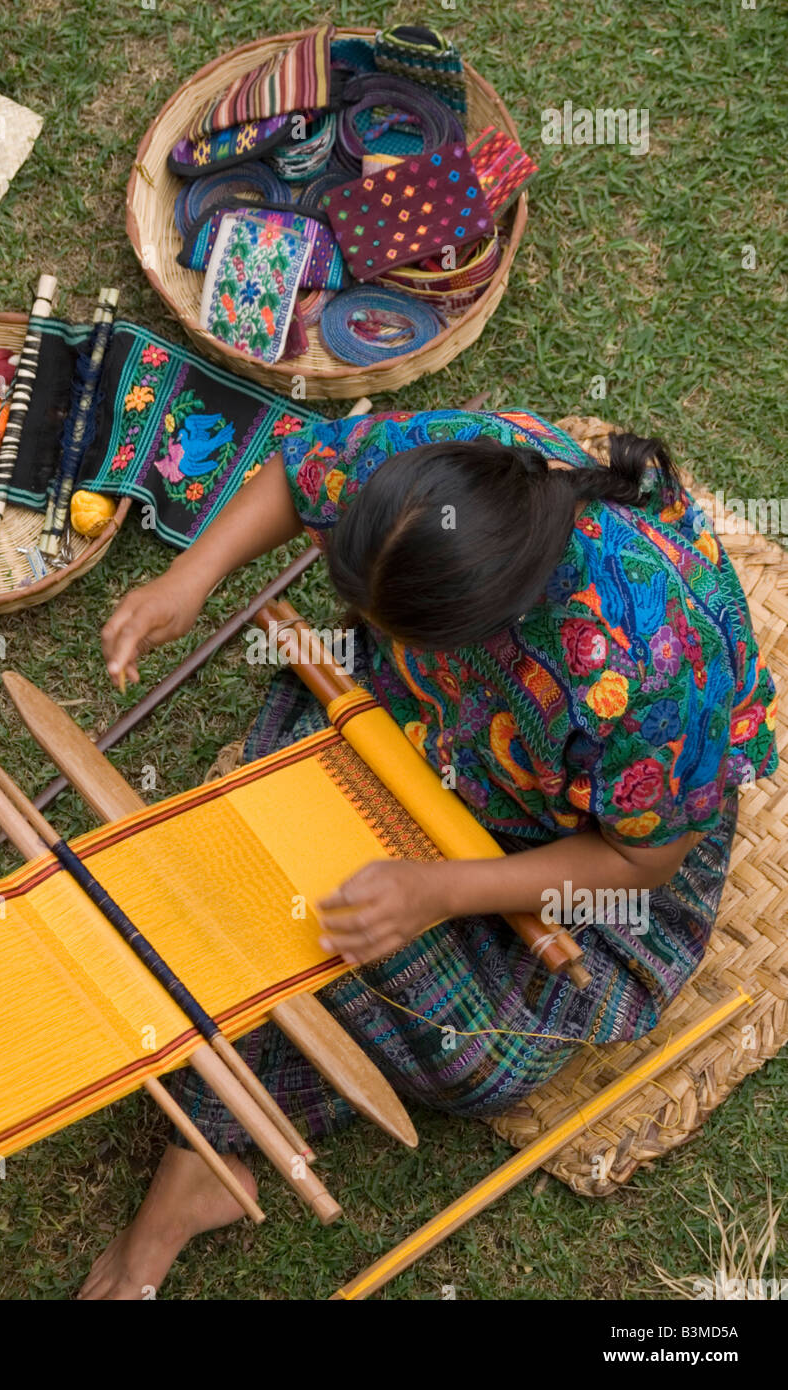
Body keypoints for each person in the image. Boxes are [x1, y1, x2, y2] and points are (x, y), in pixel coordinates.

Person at [81, 408, 777, 1299]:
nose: (378, 633)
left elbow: (642, 865)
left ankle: (213, 1141)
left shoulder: (645, 669)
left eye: (408, 630)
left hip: (580, 839)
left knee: (481, 1058)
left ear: (499, 620)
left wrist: (443, 888)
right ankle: (217, 1146)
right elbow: (301, 474)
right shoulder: (432, 472)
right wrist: (193, 574)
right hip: (417, 728)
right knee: (269, 851)